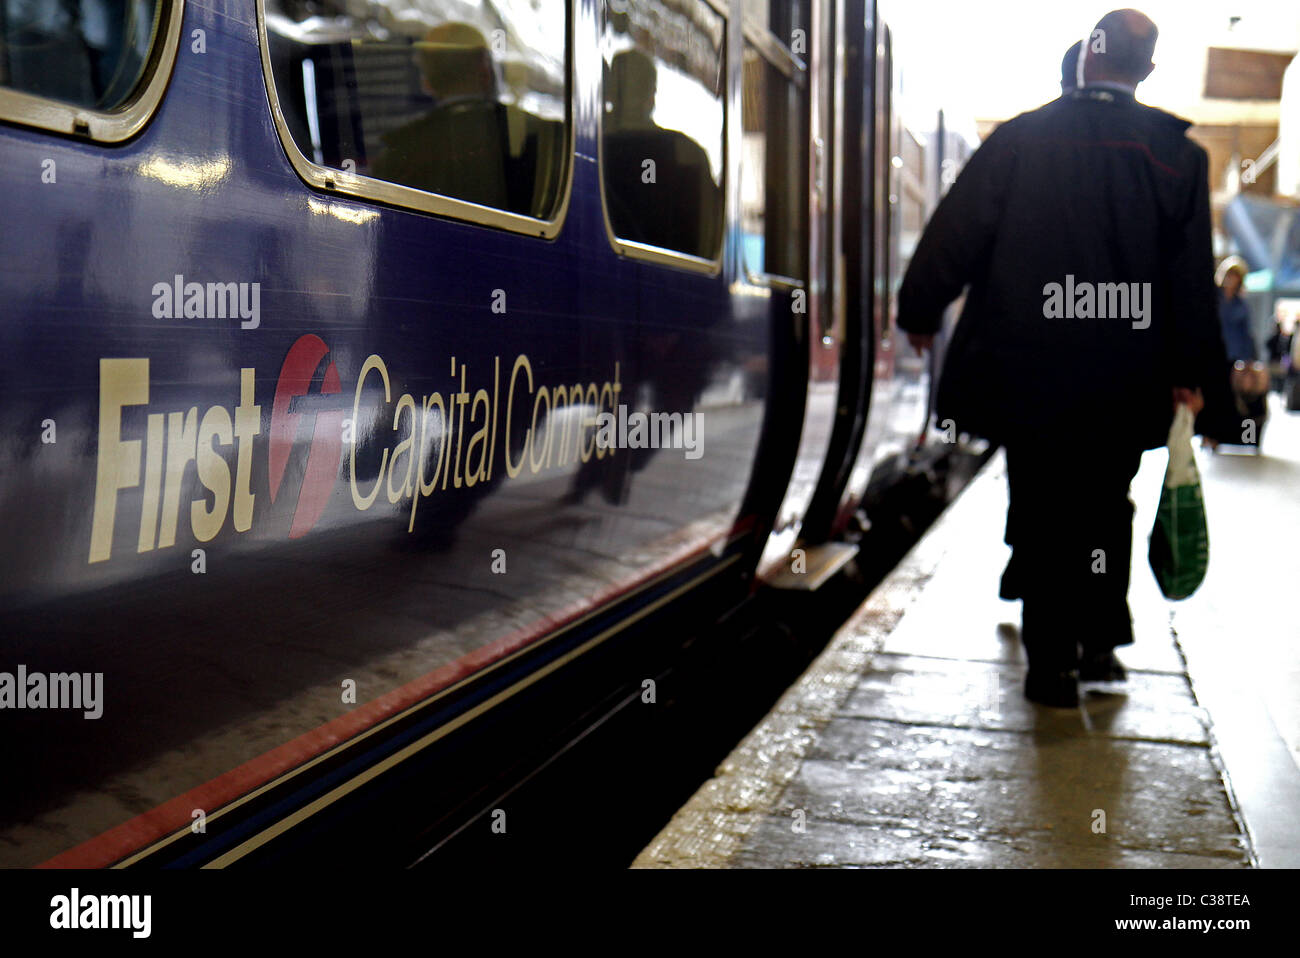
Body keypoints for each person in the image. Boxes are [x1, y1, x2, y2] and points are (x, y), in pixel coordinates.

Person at [897, 9, 1234, 707]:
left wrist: (919, 311)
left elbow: (955, 230)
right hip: (1126, 376)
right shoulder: (1177, 155)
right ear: (1145, 71)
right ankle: (1102, 644)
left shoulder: (1021, 139)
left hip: (1032, 372)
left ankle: (1051, 663)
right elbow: (1188, 284)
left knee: (1044, 506)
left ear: (1087, 61)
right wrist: (1195, 380)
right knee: (1107, 505)